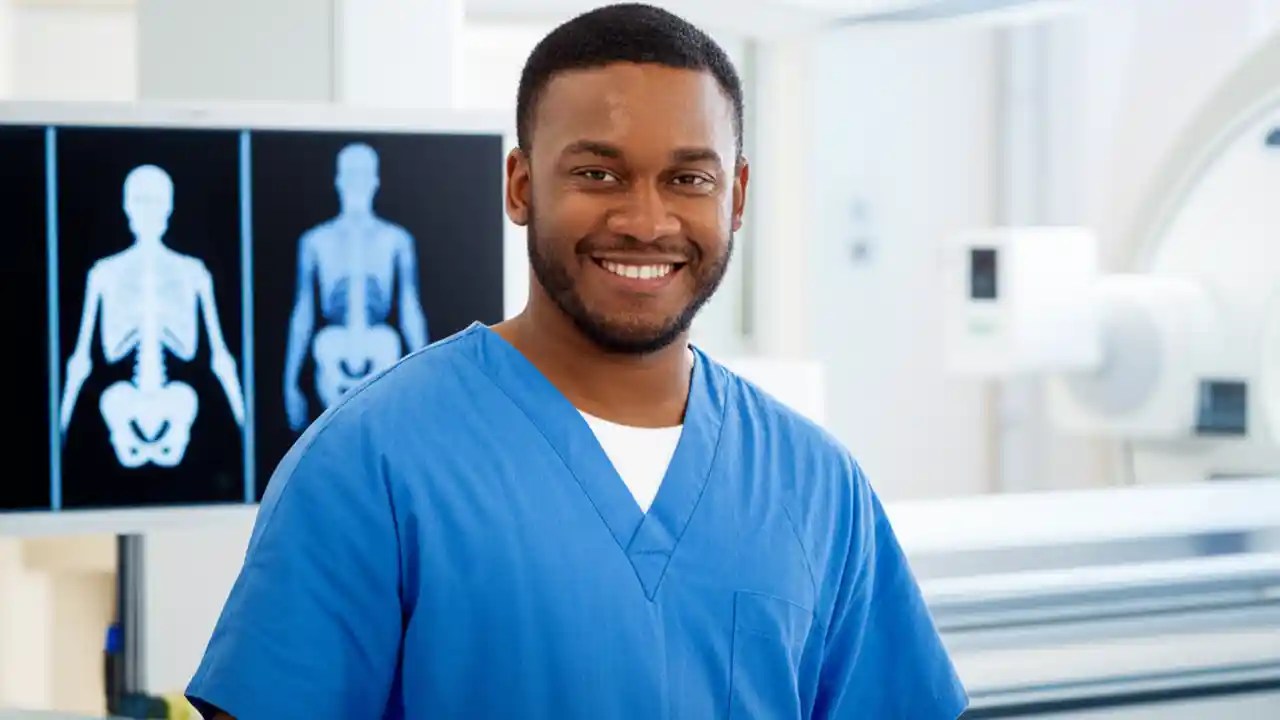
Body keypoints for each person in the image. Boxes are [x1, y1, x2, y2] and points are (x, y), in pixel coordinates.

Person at [185, 3, 968, 718]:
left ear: (736, 198)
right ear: (521, 186)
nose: (644, 219)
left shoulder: (816, 486)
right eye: (598, 173)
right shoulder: (371, 463)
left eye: (688, 179)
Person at [282, 142, 429, 431]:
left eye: (363, 174)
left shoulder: (396, 240)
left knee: (387, 341)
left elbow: (410, 308)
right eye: (350, 174)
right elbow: (303, 313)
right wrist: (289, 381)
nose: (356, 183)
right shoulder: (315, 242)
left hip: (380, 347)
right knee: (327, 344)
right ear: (338, 180)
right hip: (332, 348)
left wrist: (427, 376)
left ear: (375, 181)